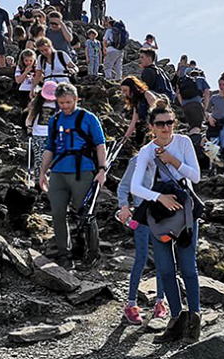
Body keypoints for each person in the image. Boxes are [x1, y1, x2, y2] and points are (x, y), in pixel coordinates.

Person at [130, 100, 202, 344]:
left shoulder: (183, 142)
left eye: (169, 122)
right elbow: (135, 186)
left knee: (188, 268)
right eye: (160, 124)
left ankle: (194, 320)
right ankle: (176, 319)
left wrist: (173, 160)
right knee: (165, 269)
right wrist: (158, 196)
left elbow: (196, 176)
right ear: (151, 126)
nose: (165, 127)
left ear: (175, 122)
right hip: (159, 214)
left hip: (185, 213)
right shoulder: (146, 151)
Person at [38, 83, 107, 268]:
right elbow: (49, 148)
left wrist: (102, 169)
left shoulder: (89, 118)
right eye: (61, 103)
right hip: (59, 172)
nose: (65, 106)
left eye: (68, 102)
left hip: (82, 171)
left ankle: (92, 255)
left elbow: (100, 144)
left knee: (85, 214)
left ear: (76, 99)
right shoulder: (54, 120)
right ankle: (64, 255)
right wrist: (42, 172)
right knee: (58, 213)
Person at [117, 154, 167, 324]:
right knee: (141, 257)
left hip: (163, 215)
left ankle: (160, 302)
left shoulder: (171, 158)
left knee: (163, 257)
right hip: (142, 214)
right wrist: (124, 207)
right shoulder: (138, 160)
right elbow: (123, 187)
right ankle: (131, 304)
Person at [25, 81, 58, 184]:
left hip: (52, 136)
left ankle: (50, 181)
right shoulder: (37, 102)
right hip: (38, 134)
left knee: (51, 159)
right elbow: (30, 117)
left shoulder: (59, 104)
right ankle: (39, 181)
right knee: (39, 159)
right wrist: (29, 127)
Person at [121, 76, 160, 148]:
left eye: (125, 90)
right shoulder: (136, 101)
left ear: (132, 88)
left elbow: (158, 112)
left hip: (154, 129)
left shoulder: (147, 94)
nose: (124, 94)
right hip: (143, 129)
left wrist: (155, 130)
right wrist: (124, 139)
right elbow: (134, 121)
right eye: (123, 91)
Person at [176, 68, 211, 134]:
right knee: (196, 127)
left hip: (186, 107)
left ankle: (191, 141)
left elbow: (178, 94)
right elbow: (207, 93)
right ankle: (194, 142)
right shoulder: (201, 79)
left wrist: (183, 105)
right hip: (196, 106)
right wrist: (205, 108)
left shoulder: (183, 81)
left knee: (192, 127)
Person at [14, 49, 37, 129]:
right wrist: (25, 72)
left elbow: (42, 79)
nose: (29, 63)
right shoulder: (19, 67)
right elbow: (18, 80)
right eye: (26, 60)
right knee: (25, 109)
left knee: (35, 109)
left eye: (31, 60)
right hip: (23, 90)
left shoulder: (37, 68)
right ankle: (25, 128)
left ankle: (34, 127)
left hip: (35, 90)